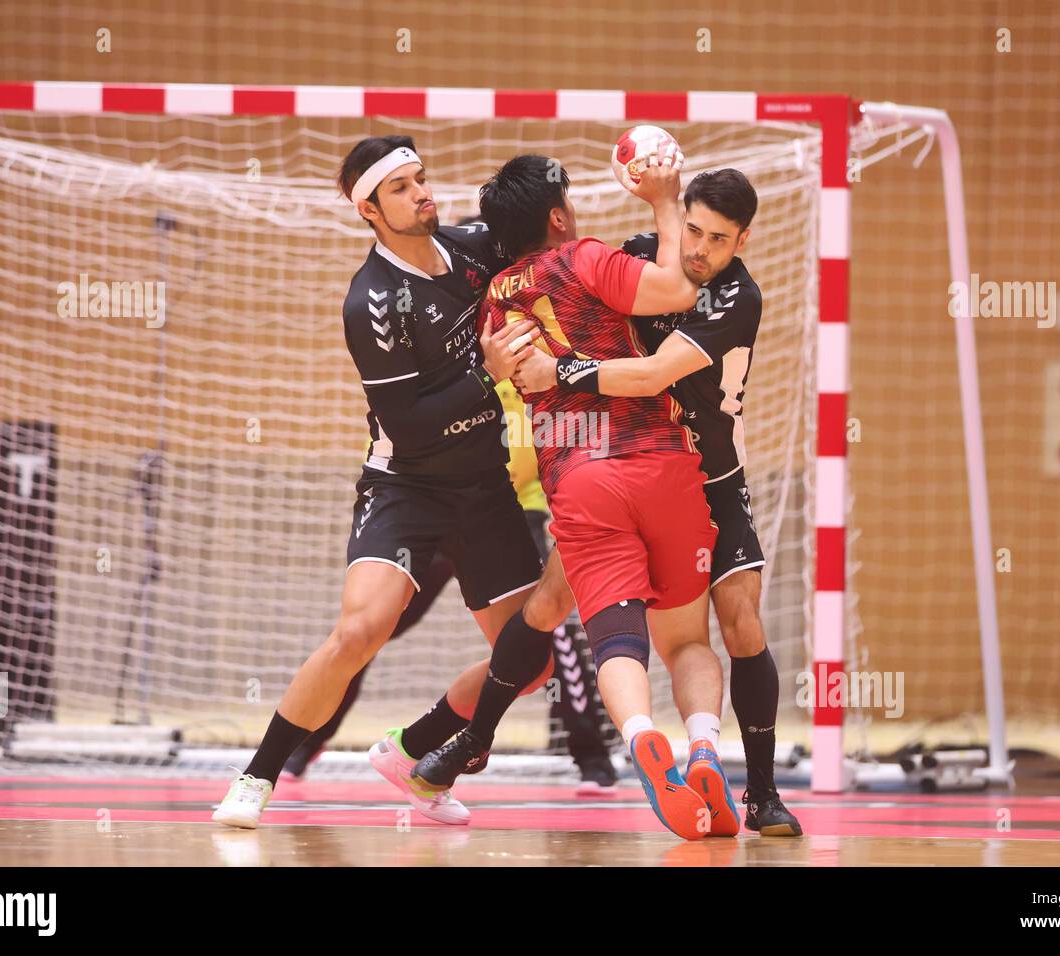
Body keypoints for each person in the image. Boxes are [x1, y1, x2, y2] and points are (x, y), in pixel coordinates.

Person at [212, 136, 569, 829]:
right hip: (406, 486)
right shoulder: (371, 300)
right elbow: (408, 424)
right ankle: (257, 775)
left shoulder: (472, 250)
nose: (422, 193)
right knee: (359, 632)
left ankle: (410, 752)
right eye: (402, 189)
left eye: (422, 179)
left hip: (485, 486)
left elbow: (549, 257)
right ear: (370, 211)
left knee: (529, 663)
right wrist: (489, 374)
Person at [412, 150, 740, 841]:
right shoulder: (584, 259)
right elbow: (679, 287)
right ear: (558, 216)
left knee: (612, 639)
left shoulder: (494, 302)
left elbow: (483, 378)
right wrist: (664, 198)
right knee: (685, 639)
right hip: (657, 459)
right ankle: (705, 747)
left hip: (578, 480)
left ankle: (642, 735)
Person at [512, 169, 801, 836]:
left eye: (717, 240)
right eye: (691, 229)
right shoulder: (645, 253)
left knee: (741, 621)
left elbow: (650, 373)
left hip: (712, 477)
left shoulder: (737, 294)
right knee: (550, 600)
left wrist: (558, 372)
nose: (698, 249)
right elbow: (573, 303)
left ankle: (760, 792)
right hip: (633, 468)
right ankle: (465, 742)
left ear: (743, 241)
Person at [281, 376, 619, 795]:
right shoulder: (449, 373)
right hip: (434, 504)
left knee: (547, 632)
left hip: (514, 512)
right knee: (366, 629)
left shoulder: (537, 375)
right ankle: (305, 742)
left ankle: (591, 757)